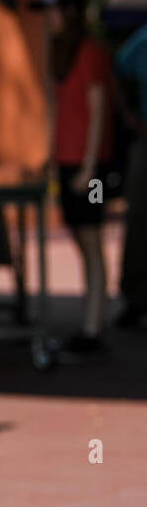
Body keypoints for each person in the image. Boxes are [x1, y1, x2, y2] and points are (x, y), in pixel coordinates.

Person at [31, 0, 115, 352]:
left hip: (88, 163)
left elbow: (98, 112)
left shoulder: (91, 53)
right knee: (80, 240)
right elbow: (57, 109)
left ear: (69, 13)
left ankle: (94, 329)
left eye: (52, 11)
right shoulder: (58, 53)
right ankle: (88, 322)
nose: (47, 19)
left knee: (92, 240)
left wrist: (89, 167)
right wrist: (52, 153)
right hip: (66, 159)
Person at [113, 21, 147, 328]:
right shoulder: (142, 40)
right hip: (145, 140)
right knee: (138, 216)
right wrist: (129, 115)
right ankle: (135, 298)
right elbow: (116, 73)